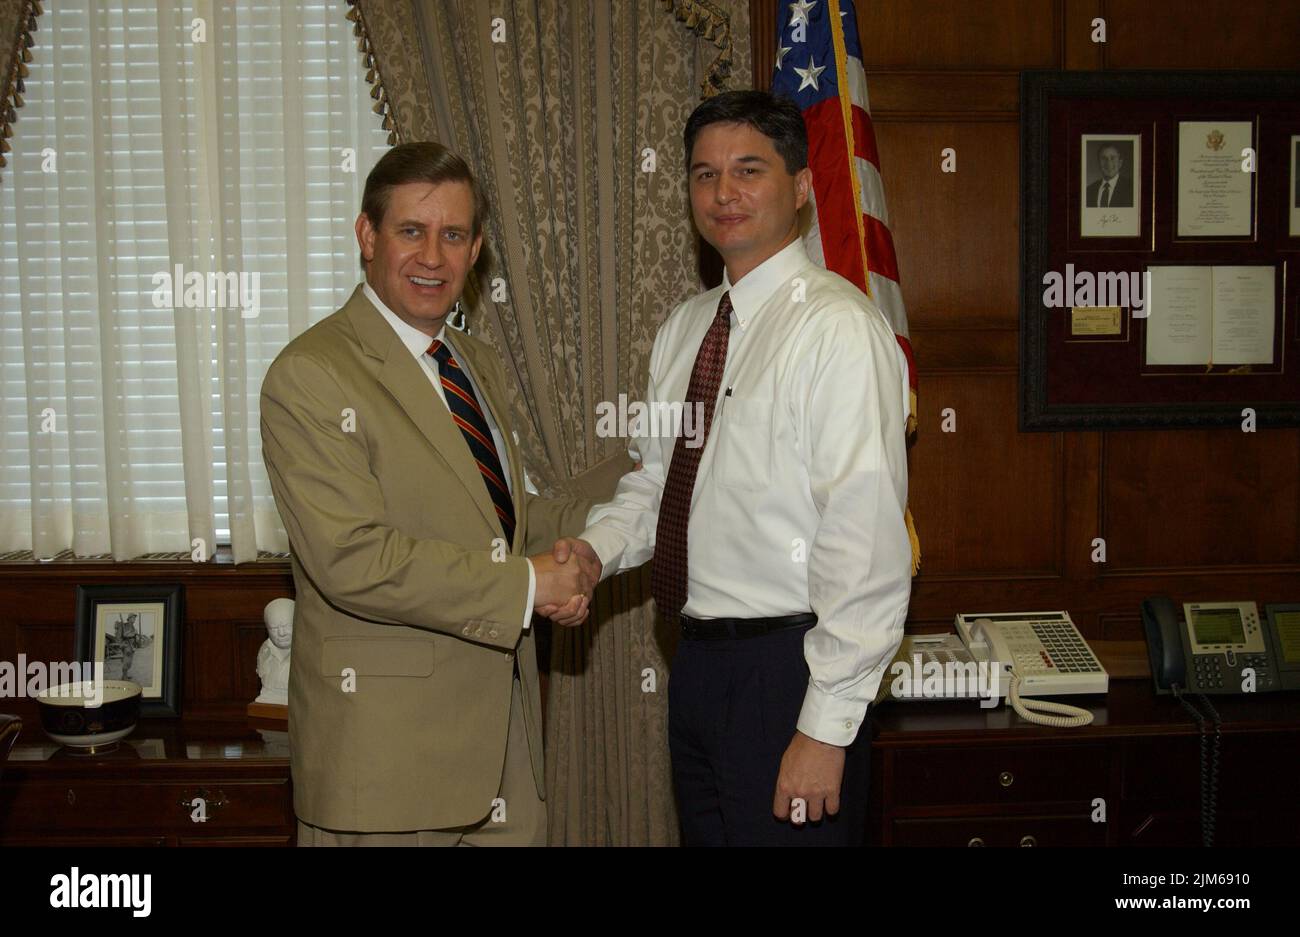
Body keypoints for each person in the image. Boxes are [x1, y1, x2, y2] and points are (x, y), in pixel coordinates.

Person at [542, 91, 913, 845]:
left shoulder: (838, 329)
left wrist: (826, 727)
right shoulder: (686, 328)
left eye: (749, 170)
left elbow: (865, 541)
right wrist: (594, 549)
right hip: (698, 666)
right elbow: (656, 484)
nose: (723, 193)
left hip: (794, 670)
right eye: (704, 174)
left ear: (802, 189)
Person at [260, 142, 616, 846]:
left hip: (505, 761)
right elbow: (353, 559)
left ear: (476, 247)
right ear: (367, 236)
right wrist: (526, 586)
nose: (433, 256)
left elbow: (506, 521)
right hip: (385, 772)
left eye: (453, 234)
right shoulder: (311, 372)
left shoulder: (472, 361)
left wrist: (640, 492)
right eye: (411, 231)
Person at [1085, 143, 1133, 208]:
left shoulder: (1131, 188)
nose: (1108, 163)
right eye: (1104, 158)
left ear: (1120, 162)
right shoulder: (1089, 191)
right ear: (1099, 163)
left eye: (1113, 158)